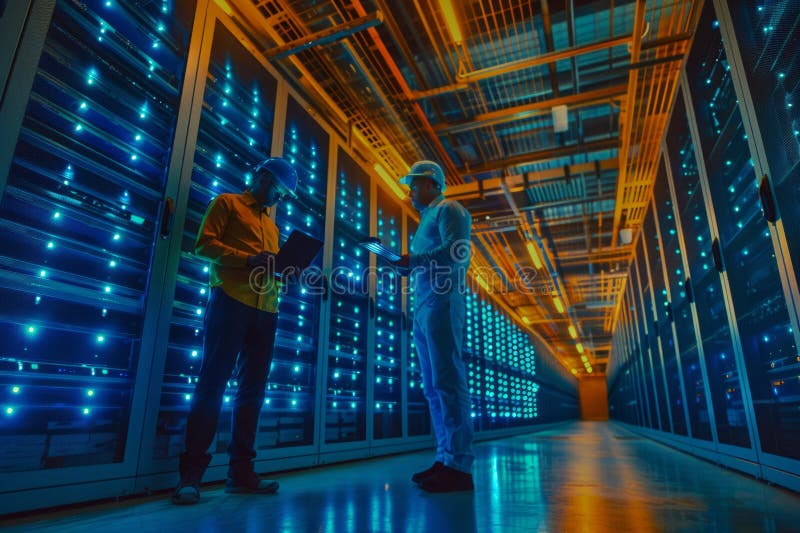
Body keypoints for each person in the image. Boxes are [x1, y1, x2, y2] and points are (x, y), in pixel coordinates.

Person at [172, 157, 299, 505]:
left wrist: (282, 270)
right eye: (279, 190)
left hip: (266, 310)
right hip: (229, 300)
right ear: (261, 176)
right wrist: (248, 259)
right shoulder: (226, 203)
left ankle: (241, 473)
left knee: (252, 392)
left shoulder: (273, 228)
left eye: (285, 195)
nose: (280, 198)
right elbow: (204, 246)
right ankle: (191, 476)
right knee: (212, 383)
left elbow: (267, 264)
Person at [394, 160, 475, 492]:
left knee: (448, 381)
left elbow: (457, 252)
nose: (411, 190)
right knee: (432, 386)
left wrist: (413, 261)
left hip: (443, 302)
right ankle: (445, 458)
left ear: (433, 184)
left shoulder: (450, 209)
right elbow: (428, 259)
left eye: (415, 184)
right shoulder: (424, 219)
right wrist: (408, 267)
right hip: (425, 305)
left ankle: (459, 464)